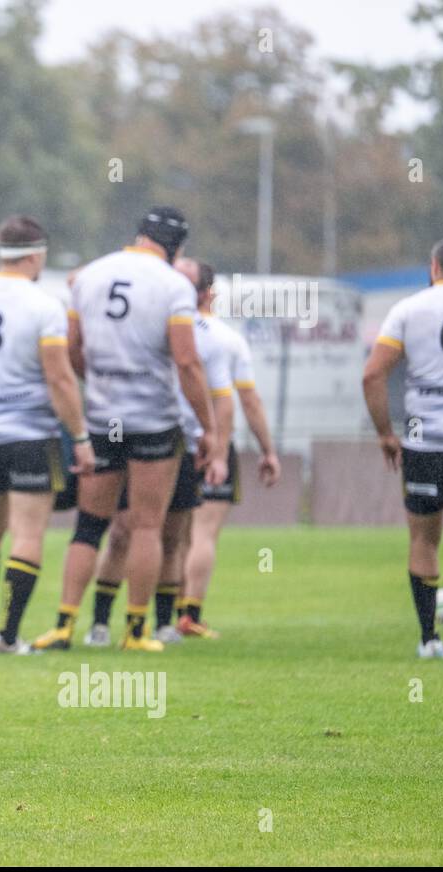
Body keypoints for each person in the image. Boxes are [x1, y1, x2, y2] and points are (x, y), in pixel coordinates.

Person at [32, 206, 217, 653]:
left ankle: (63, 625)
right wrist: (207, 426)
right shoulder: (174, 285)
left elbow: (74, 350)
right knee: (147, 526)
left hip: (102, 419)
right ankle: (135, 631)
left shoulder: (89, 276)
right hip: (153, 419)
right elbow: (187, 362)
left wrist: (97, 383)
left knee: (89, 526)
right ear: (175, 247)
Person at [0, 216, 93, 654]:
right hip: (32, 436)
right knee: (27, 535)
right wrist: (80, 437)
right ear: (35, 254)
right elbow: (60, 379)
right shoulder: (44, 306)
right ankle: (8, 635)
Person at [86, 256, 232, 646]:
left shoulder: (212, 335)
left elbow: (226, 395)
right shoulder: (141, 313)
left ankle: (164, 621)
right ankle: (100, 623)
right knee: (121, 530)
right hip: (135, 430)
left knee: (173, 534)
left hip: (181, 439)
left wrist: (214, 443)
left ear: (200, 293)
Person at [362, 236, 443, 659]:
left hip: (423, 439)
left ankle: (428, 640)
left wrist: (386, 433)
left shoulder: (408, 309)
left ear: (434, 266)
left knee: (423, 540)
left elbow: (372, 376)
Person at [178, 258, 281, 638]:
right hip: (214, 443)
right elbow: (248, 401)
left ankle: (159, 615)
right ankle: (190, 615)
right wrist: (268, 450)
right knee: (203, 533)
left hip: (170, 441)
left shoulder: (168, 332)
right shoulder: (226, 337)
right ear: (212, 293)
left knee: (173, 533)